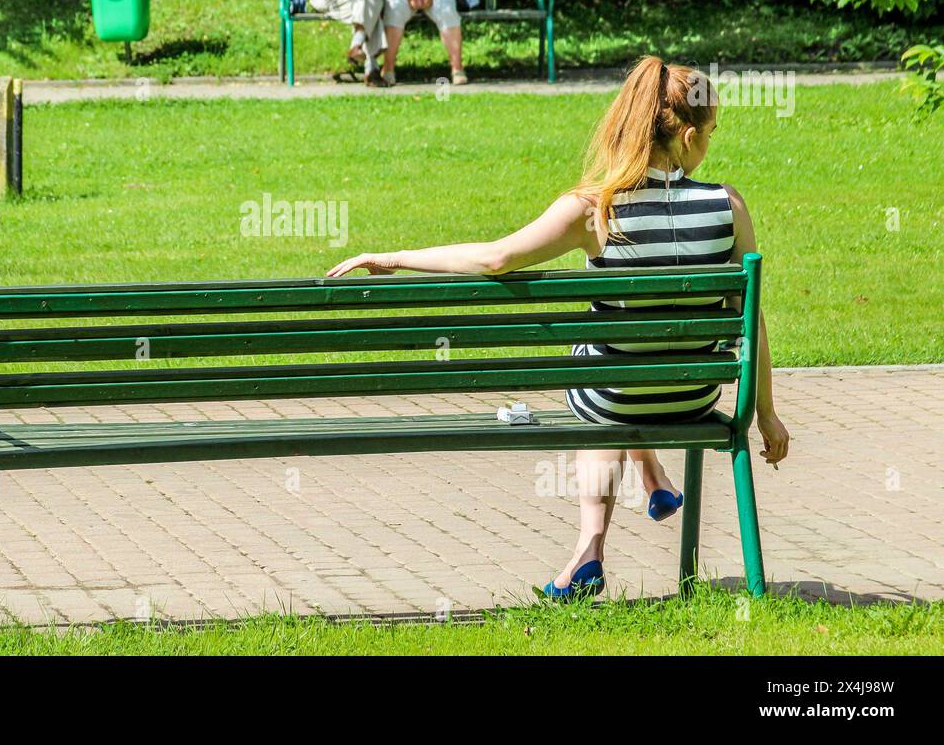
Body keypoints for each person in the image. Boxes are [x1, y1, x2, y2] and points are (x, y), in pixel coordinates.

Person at [326, 56, 791, 599]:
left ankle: (591, 545)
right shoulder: (728, 205)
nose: (710, 144)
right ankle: (652, 480)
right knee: (626, 358)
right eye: (710, 133)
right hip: (693, 396)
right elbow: (748, 311)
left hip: (616, 399)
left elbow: (496, 258)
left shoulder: (595, 208)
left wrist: (395, 257)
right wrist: (766, 413)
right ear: (687, 137)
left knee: (601, 364)